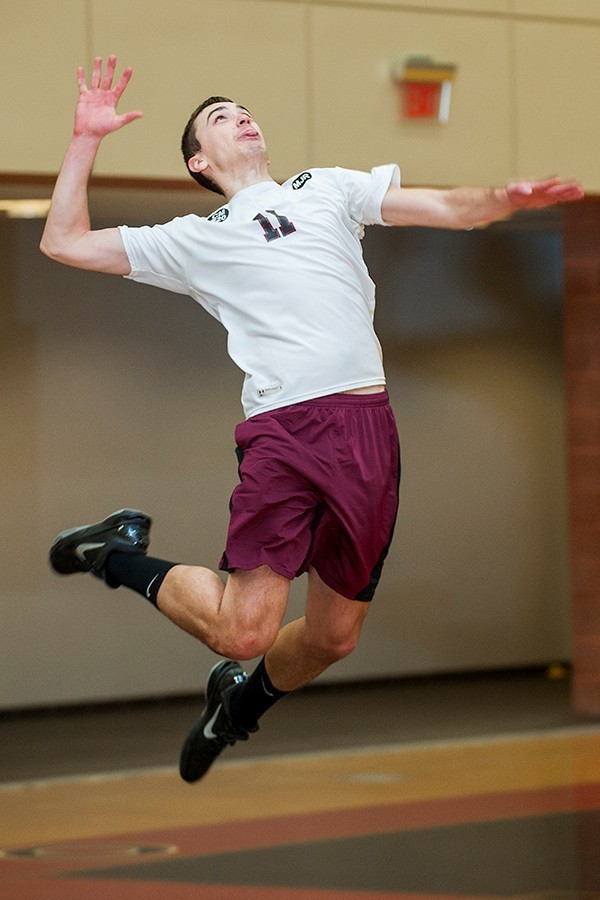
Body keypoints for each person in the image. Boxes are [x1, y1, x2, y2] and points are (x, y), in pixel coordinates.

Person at [41, 56, 584, 784]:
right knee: (242, 633)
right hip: (286, 430)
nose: (240, 115)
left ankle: (236, 708)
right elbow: (64, 242)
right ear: (200, 161)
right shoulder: (192, 238)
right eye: (220, 117)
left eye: (243, 107)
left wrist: (503, 196)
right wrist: (85, 139)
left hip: (368, 430)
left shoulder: (326, 187)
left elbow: (451, 208)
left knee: (333, 639)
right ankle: (113, 553)